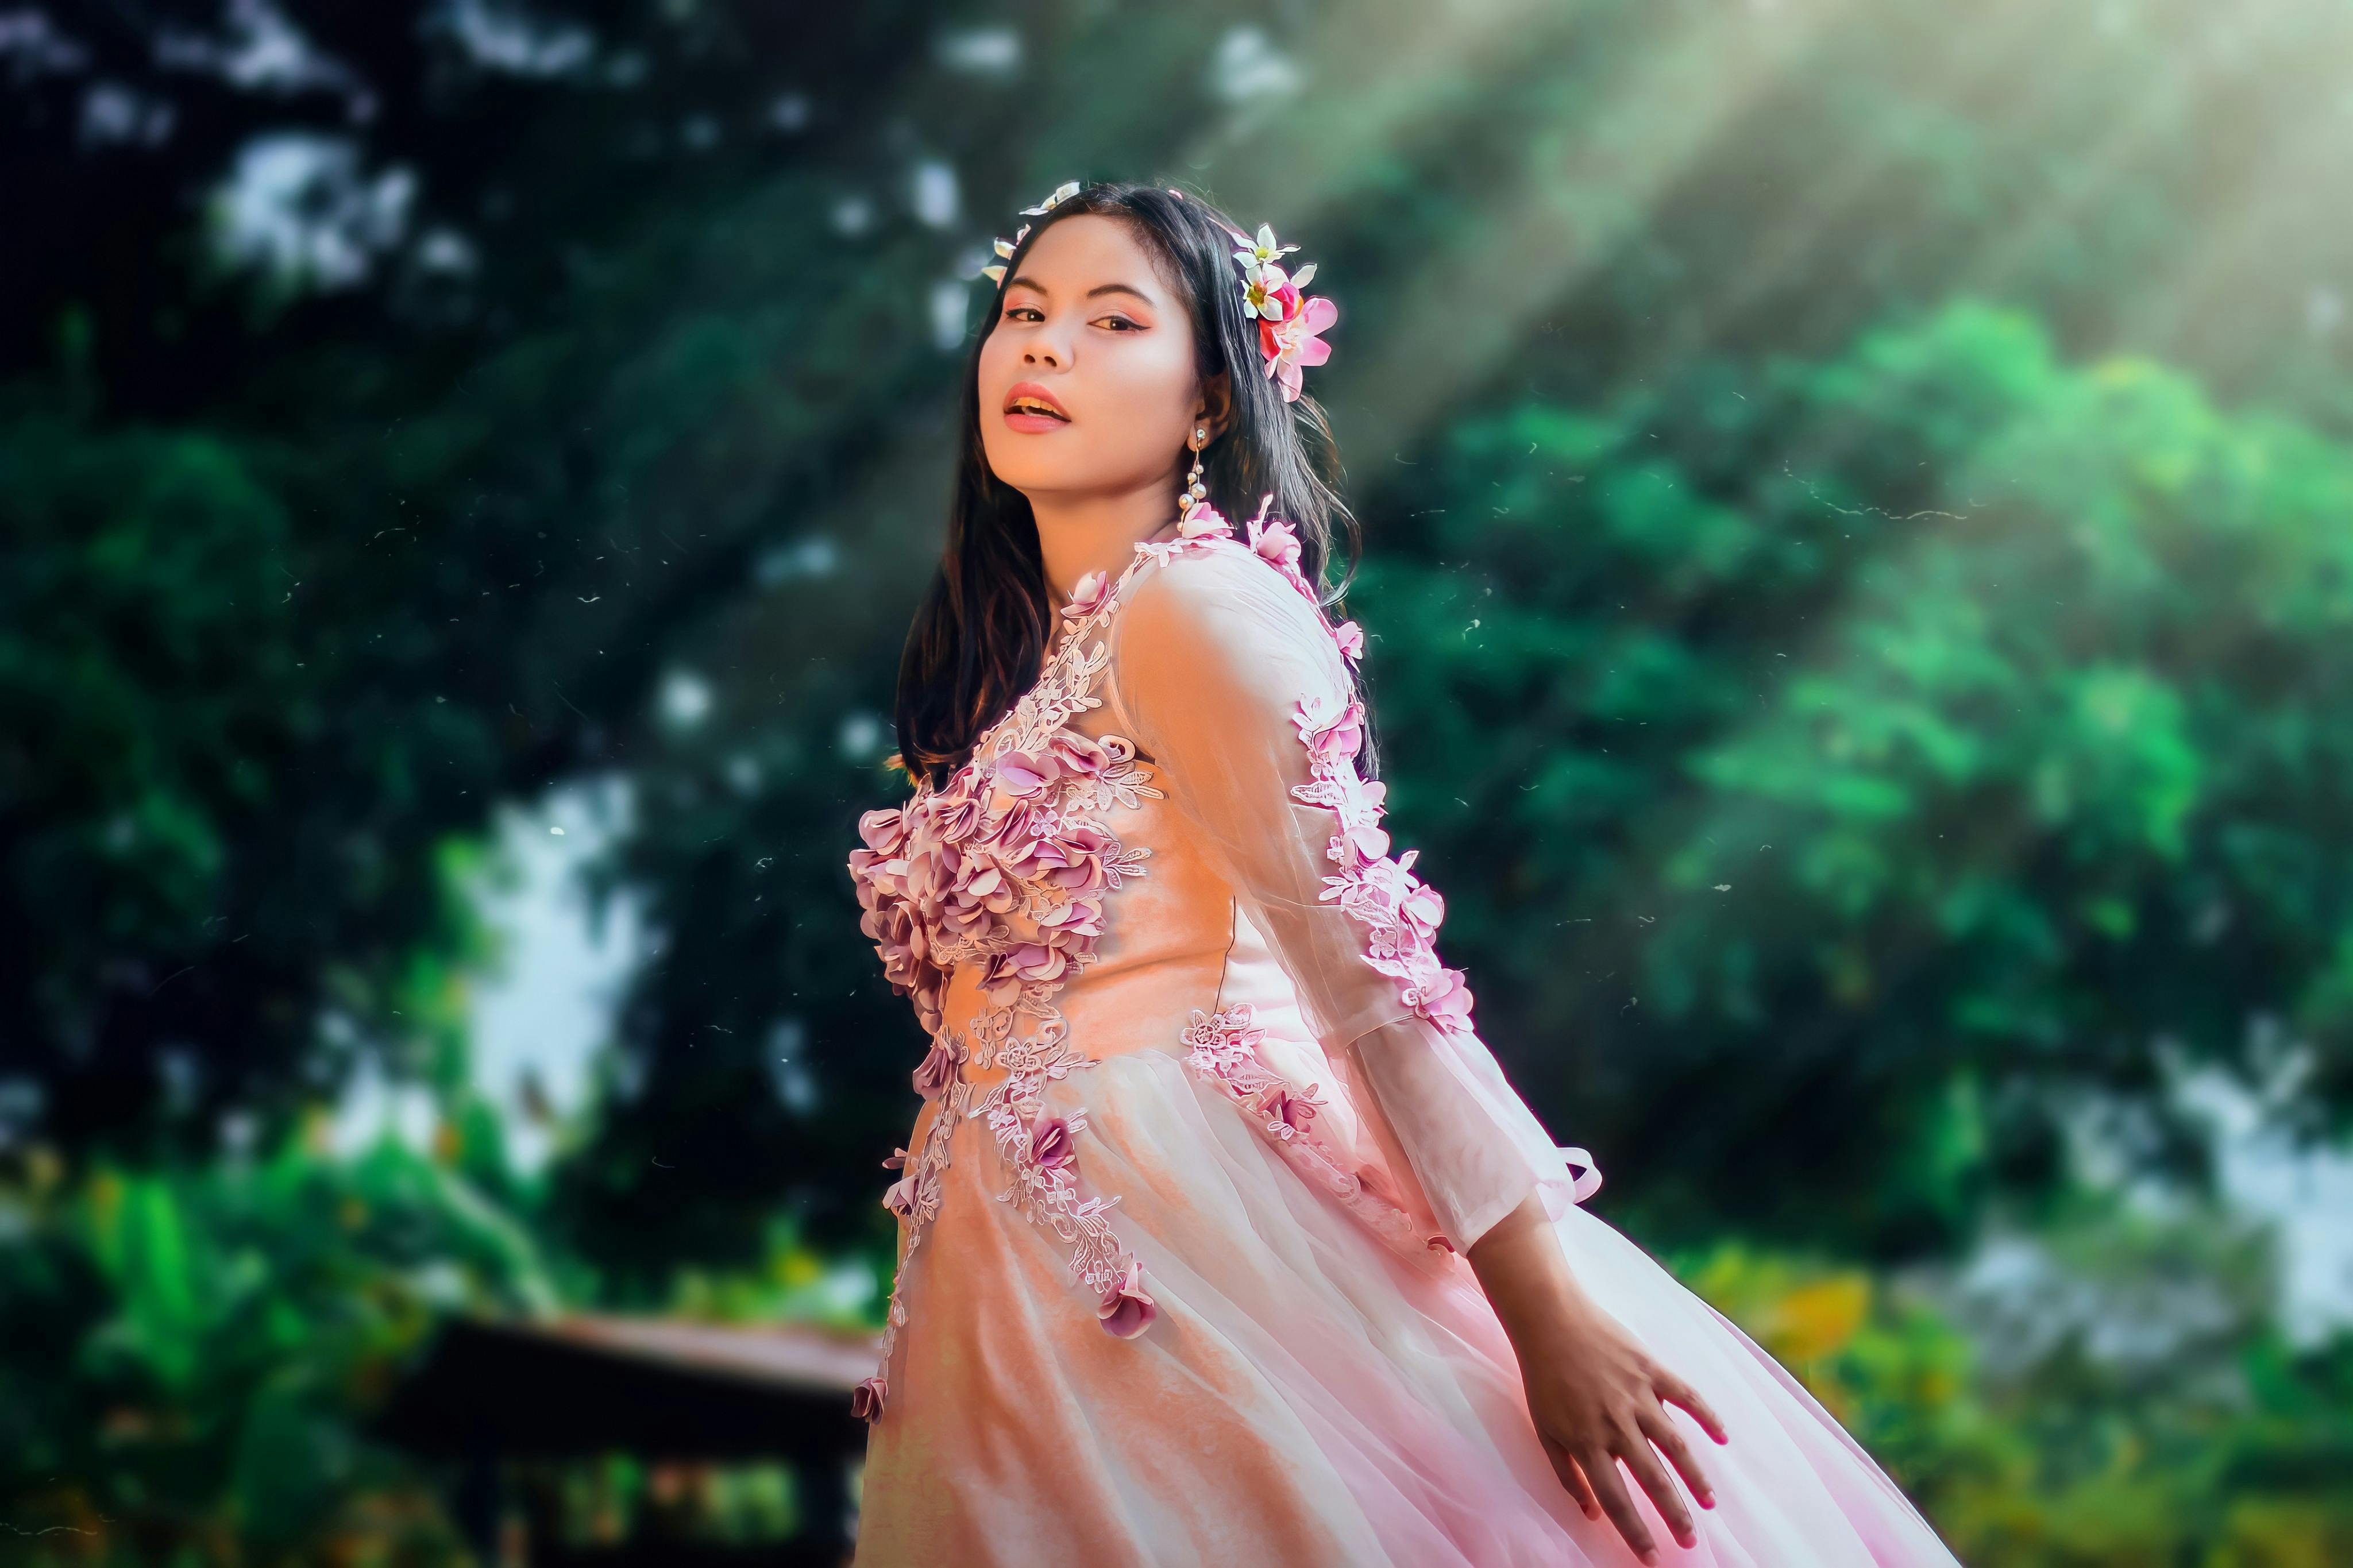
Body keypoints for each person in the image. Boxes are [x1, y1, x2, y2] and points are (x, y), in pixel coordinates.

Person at [843, 177, 1964, 1566]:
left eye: (1110, 319)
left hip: (1200, 1245)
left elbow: (1371, 975)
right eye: (1023, 312)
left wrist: (1536, 1310)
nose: (1043, 346)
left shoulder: (1194, 609)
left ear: (1206, 402)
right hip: (1023, 1279)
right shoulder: (1054, 659)